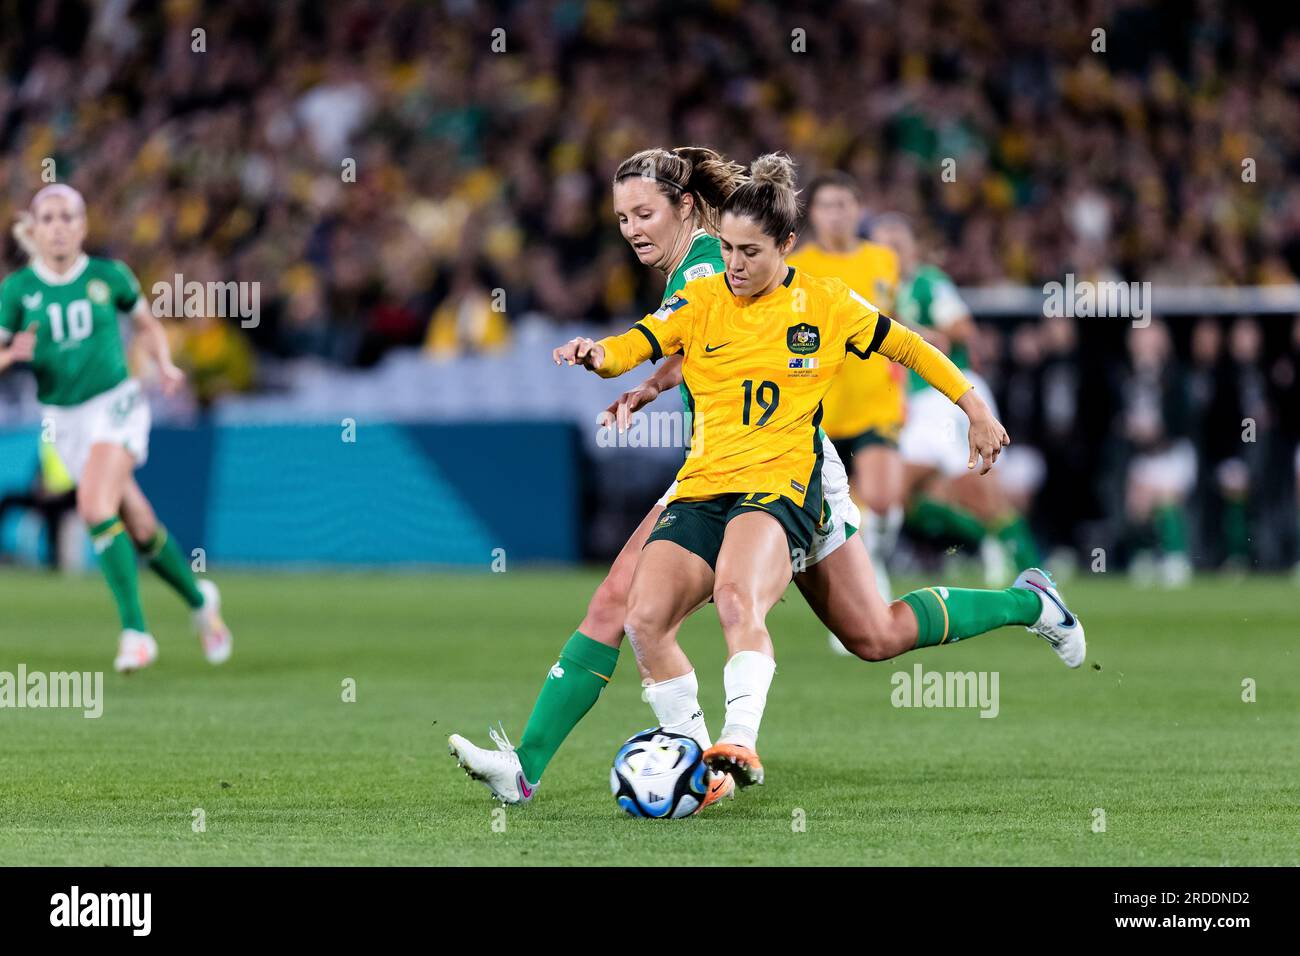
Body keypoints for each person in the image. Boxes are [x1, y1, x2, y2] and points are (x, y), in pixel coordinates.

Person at [554, 155, 1085, 788]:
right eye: (725, 248)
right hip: (707, 487)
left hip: (788, 487)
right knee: (667, 619)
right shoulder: (703, 295)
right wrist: (597, 355)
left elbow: (912, 347)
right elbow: (640, 341)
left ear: (786, 244)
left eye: (750, 251)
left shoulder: (826, 303)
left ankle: (1026, 604)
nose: (735, 265)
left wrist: (973, 407)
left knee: (765, 604)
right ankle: (701, 764)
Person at [0, 184, 232, 672]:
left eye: (68, 217)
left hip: (117, 403)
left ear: (83, 226)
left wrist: (163, 364)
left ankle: (136, 633)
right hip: (63, 420)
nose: (59, 226)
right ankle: (199, 600)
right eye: (48, 218)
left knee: (93, 506)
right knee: (139, 525)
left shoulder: (109, 276)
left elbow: (147, 326)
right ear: (35, 231)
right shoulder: (17, 291)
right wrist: (9, 356)